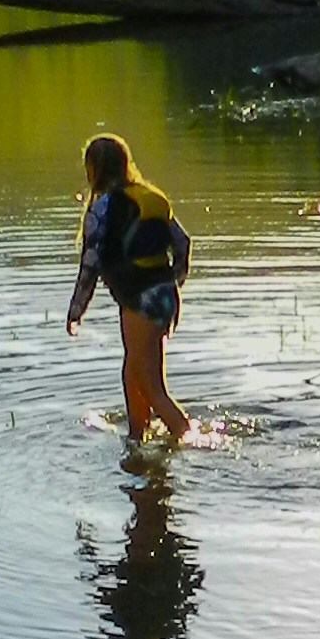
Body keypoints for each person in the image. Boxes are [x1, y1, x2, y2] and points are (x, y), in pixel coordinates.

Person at [65, 131, 192, 447]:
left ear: (93, 169)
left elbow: (90, 264)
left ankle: (188, 437)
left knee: (151, 385)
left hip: (138, 299)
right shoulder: (150, 196)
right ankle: (138, 438)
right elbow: (182, 243)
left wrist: (76, 310)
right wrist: (173, 280)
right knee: (133, 372)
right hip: (164, 296)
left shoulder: (103, 207)